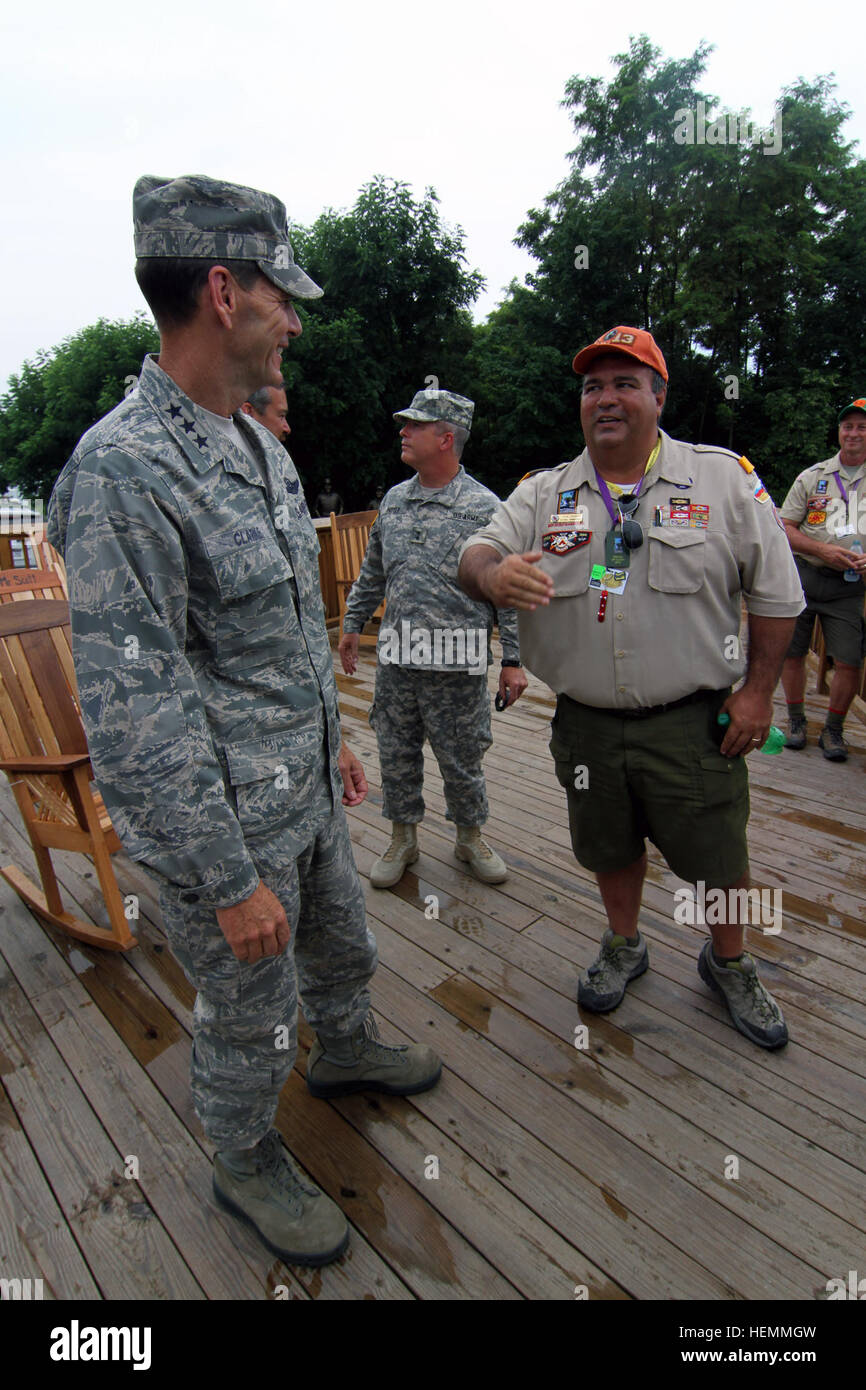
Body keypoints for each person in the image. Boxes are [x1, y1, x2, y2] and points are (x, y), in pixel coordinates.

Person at [47, 174, 441, 1269]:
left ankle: (347, 1045)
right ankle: (243, 1153)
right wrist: (225, 879)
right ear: (223, 291)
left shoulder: (254, 445)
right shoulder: (126, 468)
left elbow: (276, 623)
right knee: (244, 1010)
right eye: (282, 292)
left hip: (300, 786)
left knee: (340, 944)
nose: (296, 317)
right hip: (227, 825)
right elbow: (137, 708)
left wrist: (331, 748)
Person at [458, 326, 804, 1049]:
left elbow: (777, 595)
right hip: (584, 721)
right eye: (592, 386)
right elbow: (477, 549)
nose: (605, 398)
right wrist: (491, 574)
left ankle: (729, 961)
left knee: (718, 855)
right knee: (608, 846)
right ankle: (626, 944)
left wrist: (758, 694)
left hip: (693, 721)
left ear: (658, 395)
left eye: (624, 382)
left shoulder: (723, 480)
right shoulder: (545, 491)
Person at [339, 388, 527, 888]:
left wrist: (513, 659)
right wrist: (352, 624)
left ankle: (469, 838)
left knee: (462, 757)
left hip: (458, 665)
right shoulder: (395, 501)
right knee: (396, 753)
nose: (403, 431)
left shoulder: (486, 508)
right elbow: (372, 571)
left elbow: (506, 592)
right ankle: (403, 838)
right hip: (398, 662)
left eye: (415, 425)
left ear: (446, 438)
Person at [778, 398, 866, 760]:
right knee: (793, 652)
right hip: (804, 577)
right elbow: (784, 526)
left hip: (849, 589)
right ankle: (796, 721)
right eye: (848, 426)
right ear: (839, 432)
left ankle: (833, 730)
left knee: (848, 661)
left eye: (862, 427)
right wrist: (823, 550)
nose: (854, 433)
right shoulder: (812, 477)